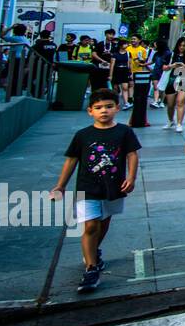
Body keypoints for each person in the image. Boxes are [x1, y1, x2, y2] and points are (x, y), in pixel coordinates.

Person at [51, 89, 141, 293]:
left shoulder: (124, 132)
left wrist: (132, 177)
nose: (104, 111)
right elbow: (71, 160)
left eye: (109, 106)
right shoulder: (82, 135)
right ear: (90, 111)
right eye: (98, 108)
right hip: (87, 188)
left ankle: (93, 252)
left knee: (104, 223)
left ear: (117, 108)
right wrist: (61, 185)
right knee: (90, 226)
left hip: (113, 188)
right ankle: (91, 268)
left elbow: (132, 155)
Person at [163, 36, 185, 131]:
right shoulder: (171, 55)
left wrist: (183, 65)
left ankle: (179, 123)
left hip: (183, 78)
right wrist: (172, 65)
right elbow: (164, 67)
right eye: (180, 45)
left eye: (184, 46)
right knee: (170, 104)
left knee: (180, 102)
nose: (182, 47)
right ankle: (171, 120)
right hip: (172, 79)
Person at [148, 36, 170, 108]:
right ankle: (156, 101)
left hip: (164, 72)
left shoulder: (168, 53)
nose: (154, 46)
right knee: (156, 86)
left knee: (162, 88)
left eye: (155, 44)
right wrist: (144, 64)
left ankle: (161, 101)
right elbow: (152, 61)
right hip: (156, 71)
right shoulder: (156, 53)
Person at [110, 39, 132, 109]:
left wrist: (130, 73)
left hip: (125, 71)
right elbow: (112, 65)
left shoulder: (128, 53)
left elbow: (130, 64)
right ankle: (116, 103)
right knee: (115, 88)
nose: (126, 45)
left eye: (126, 44)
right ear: (120, 45)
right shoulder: (115, 54)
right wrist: (110, 75)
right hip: (116, 71)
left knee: (125, 87)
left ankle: (126, 103)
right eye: (125, 44)